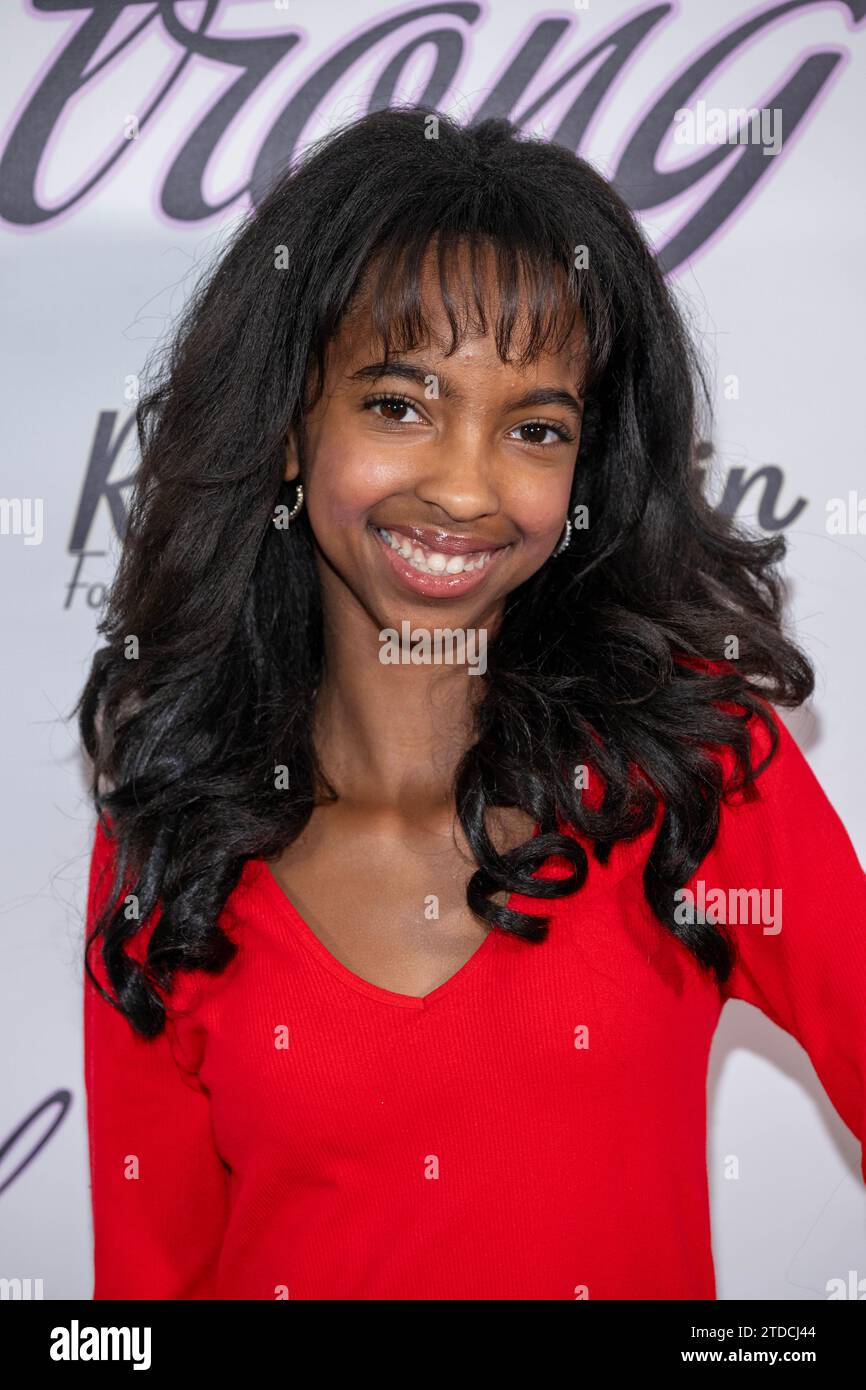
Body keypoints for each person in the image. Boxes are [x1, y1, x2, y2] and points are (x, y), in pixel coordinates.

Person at [79, 105, 865, 1301]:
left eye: (534, 427)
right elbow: (143, 1300)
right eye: (398, 405)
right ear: (291, 424)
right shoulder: (175, 829)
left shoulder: (696, 769)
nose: (462, 486)